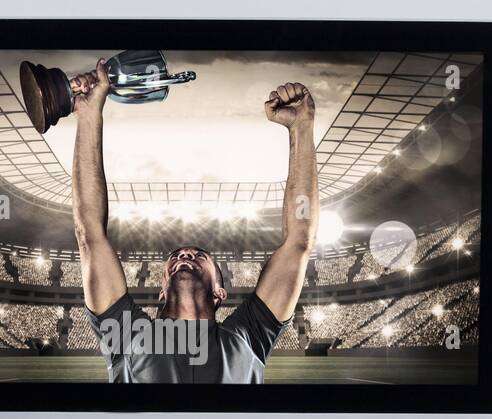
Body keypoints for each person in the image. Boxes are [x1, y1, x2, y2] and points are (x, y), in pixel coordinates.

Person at [71, 59, 318, 383]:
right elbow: (88, 234)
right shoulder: (125, 334)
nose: (185, 255)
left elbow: (299, 242)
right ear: (161, 290)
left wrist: (301, 127)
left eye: (199, 256)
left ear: (220, 292)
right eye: (177, 257)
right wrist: (89, 117)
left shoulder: (249, 337)